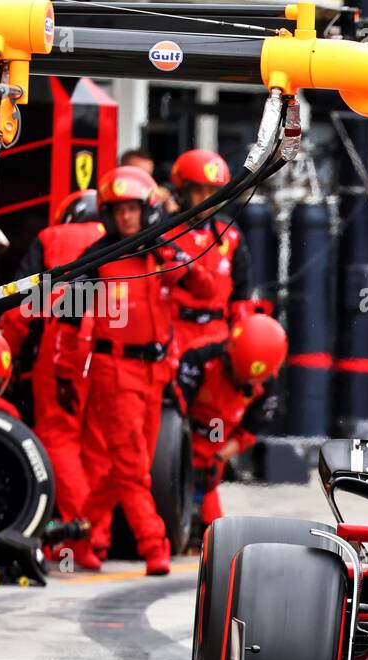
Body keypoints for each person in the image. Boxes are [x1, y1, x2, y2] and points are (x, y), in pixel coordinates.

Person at [72, 165, 215, 575]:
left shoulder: (162, 254)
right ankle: (155, 544)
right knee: (134, 465)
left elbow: (206, 292)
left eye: (133, 209)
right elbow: (64, 308)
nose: (126, 218)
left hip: (155, 373)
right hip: (112, 369)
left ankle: (82, 537)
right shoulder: (97, 258)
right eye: (118, 211)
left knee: (126, 464)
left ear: (146, 209)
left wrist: (177, 257)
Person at [0, 188, 107, 529]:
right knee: (99, 444)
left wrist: (8, 354)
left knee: (60, 438)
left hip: (65, 344)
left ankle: (79, 530)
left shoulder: (50, 238)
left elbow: (21, 304)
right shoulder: (123, 240)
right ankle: (100, 535)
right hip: (115, 352)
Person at [177, 311, 287, 530]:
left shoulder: (267, 386)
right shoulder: (199, 359)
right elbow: (173, 413)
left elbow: (249, 431)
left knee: (214, 533)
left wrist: (219, 458)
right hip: (180, 447)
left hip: (214, 455)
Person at [167, 149, 261, 352]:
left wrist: (241, 338)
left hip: (219, 338)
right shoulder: (163, 234)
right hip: (175, 337)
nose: (206, 198)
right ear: (183, 191)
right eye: (198, 190)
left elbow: (241, 293)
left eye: (212, 191)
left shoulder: (230, 233)